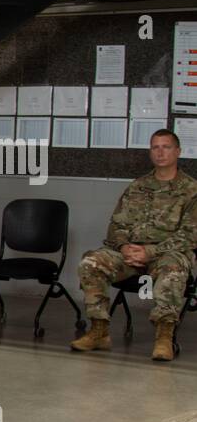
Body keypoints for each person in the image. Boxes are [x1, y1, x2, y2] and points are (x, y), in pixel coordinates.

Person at [70, 128, 197, 361]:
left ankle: (164, 338)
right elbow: (116, 225)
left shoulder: (191, 190)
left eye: (166, 147)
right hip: (130, 254)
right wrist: (123, 247)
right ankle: (99, 331)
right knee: (91, 262)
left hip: (167, 254)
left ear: (178, 151)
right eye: (155, 147)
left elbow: (190, 235)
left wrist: (150, 252)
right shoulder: (137, 186)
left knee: (173, 269)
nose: (160, 152)